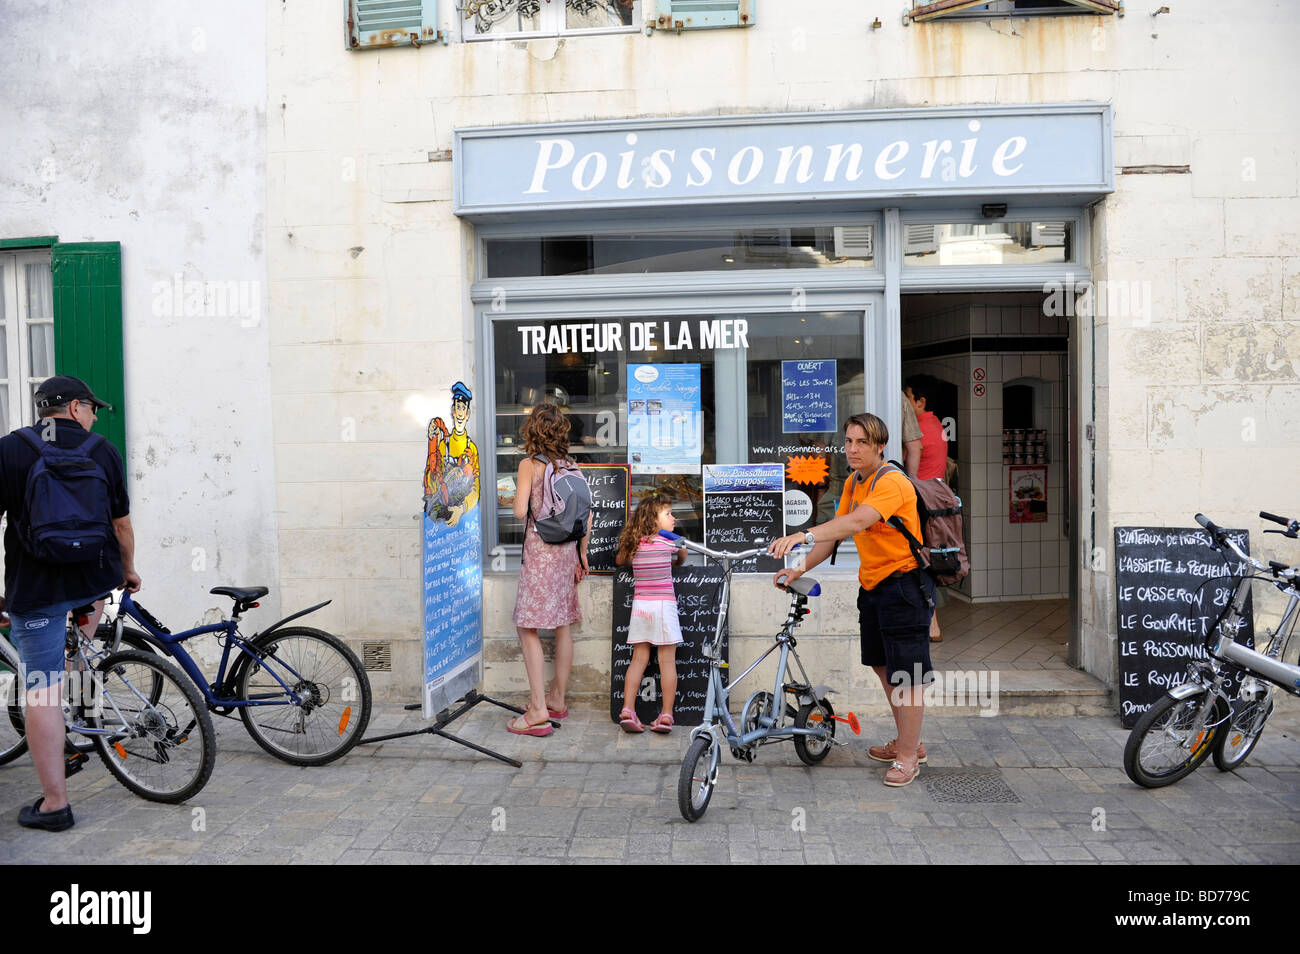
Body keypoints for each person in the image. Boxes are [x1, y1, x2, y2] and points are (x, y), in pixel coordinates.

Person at [1, 375, 139, 830]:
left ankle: (54, 805)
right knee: (79, 639)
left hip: (35, 589)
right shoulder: (102, 451)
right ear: (75, 407)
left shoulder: (10, 449)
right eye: (93, 407)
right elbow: (120, 526)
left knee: (40, 690)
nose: (96, 416)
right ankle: (78, 692)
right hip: (92, 583)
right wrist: (129, 570)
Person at [768, 412, 934, 787]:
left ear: (880, 447)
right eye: (848, 442)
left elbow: (857, 522)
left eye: (862, 443)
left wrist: (802, 534)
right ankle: (911, 742)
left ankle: (908, 757)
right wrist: (799, 568)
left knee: (907, 676)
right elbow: (835, 535)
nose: (853, 449)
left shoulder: (891, 482)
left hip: (904, 587)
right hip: (873, 586)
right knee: (882, 666)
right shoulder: (854, 482)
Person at [508, 402, 589, 736]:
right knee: (562, 625)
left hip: (541, 554)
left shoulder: (529, 465)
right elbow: (587, 516)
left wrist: (513, 493)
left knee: (527, 626)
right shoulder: (572, 465)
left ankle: (538, 709)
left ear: (532, 431)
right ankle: (557, 698)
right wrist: (583, 557)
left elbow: (517, 511)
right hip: (567, 553)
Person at [614, 493, 686, 734]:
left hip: (641, 608)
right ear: (653, 520)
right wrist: (677, 555)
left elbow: (621, 559)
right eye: (668, 514)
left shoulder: (634, 544)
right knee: (667, 662)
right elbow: (682, 557)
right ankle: (666, 714)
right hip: (664, 607)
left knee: (638, 660)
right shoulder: (669, 544)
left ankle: (627, 709)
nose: (673, 518)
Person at [905, 374, 949, 642]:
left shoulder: (918, 427)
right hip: (937, 498)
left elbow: (907, 458)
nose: (904, 403)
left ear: (920, 401)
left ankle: (932, 623)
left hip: (923, 501)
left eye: (907, 397)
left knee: (919, 561)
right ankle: (932, 623)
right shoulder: (934, 423)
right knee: (926, 560)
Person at [423, 381, 479, 528]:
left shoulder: (471, 448)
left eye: (464, 408)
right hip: (442, 514)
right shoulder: (444, 444)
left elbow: (476, 488)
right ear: (453, 410)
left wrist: (462, 509)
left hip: (464, 517)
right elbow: (433, 477)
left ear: (468, 414)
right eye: (458, 407)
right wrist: (432, 439)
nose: (460, 412)